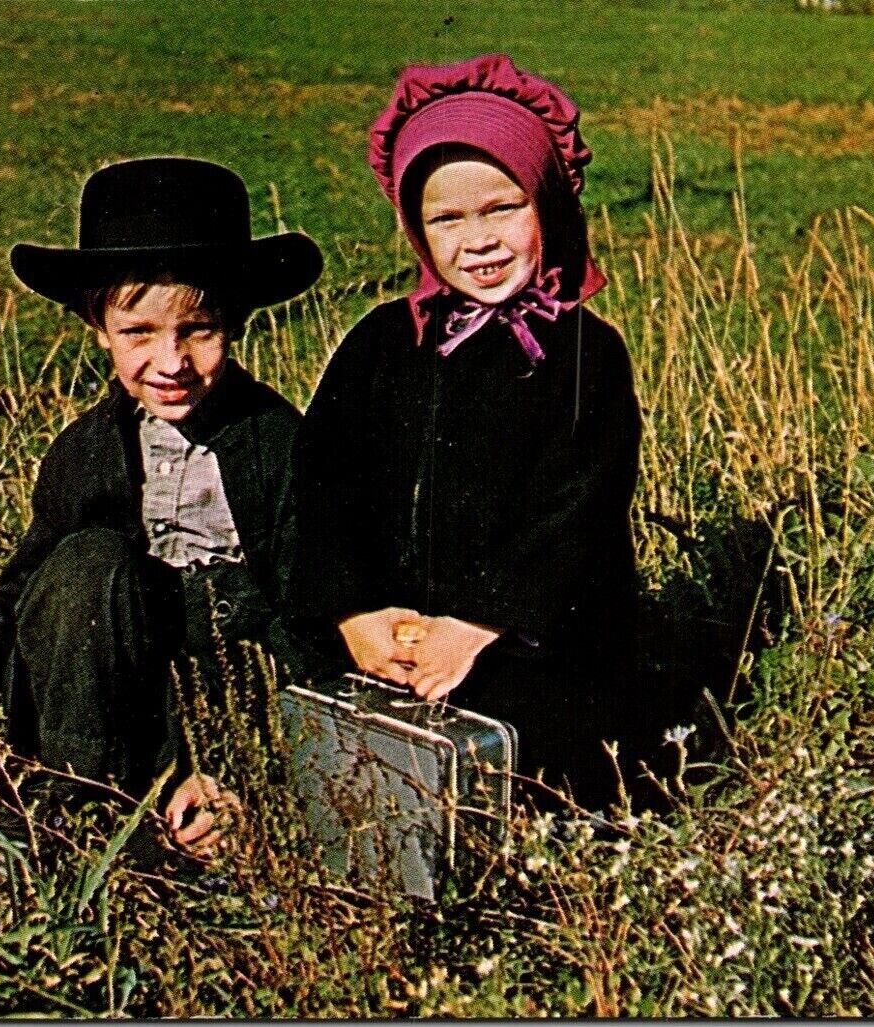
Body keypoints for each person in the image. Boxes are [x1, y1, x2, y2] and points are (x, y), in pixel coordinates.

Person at [0, 157, 323, 853]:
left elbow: (314, 628)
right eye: (138, 332)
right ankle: (72, 813)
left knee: (236, 605)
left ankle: (193, 819)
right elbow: (18, 605)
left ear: (237, 322)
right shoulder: (87, 453)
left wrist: (232, 766)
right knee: (86, 564)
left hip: (228, 714)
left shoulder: (281, 446)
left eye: (198, 329)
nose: (171, 361)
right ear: (97, 326)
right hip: (106, 713)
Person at [288, 55, 644, 813]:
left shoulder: (585, 354)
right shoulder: (383, 342)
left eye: (501, 208)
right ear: (414, 229)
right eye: (446, 219)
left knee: (528, 749)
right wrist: (356, 611)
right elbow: (322, 481)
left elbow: (577, 510)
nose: (476, 240)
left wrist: (480, 621)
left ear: (546, 201)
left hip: (526, 635)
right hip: (392, 634)